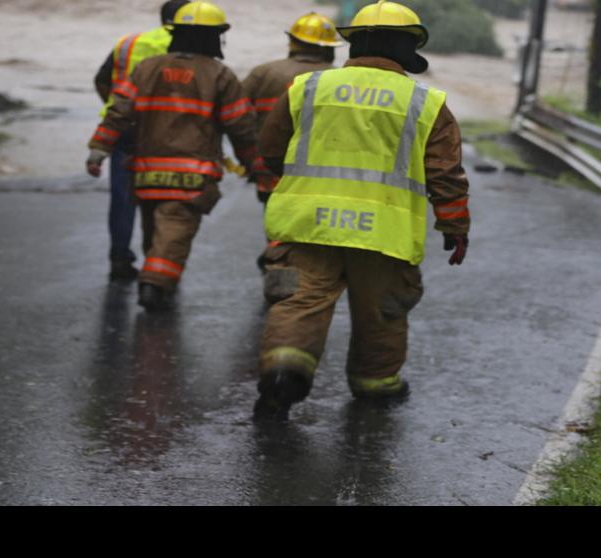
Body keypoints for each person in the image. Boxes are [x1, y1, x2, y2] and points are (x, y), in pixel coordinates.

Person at [252, 1, 470, 420]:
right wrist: (455, 226)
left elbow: (270, 151)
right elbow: (446, 175)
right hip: (383, 233)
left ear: (354, 43)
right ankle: (376, 386)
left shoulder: (308, 88)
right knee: (382, 312)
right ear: (407, 48)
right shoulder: (426, 102)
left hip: (307, 224)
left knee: (300, 303)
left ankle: (283, 373)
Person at [87, 1, 265, 311]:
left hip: (145, 172)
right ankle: (155, 284)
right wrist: (254, 165)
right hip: (191, 175)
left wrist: (98, 151)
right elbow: (242, 127)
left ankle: (156, 280)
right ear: (215, 37)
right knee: (174, 231)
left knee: (154, 231)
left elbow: (118, 111)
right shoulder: (219, 75)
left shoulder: (148, 67)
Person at [241, 12, 345, 305]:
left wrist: (246, 155)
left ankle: (278, 267)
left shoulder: (264, 72)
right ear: (328, 48)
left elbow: (236, 112)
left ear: (293, 42)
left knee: (276, 222)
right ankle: (290, 277)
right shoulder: (338, 80)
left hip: (269, 168)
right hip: (320, 173)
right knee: (307, 228)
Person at [93, 0, 186, 281]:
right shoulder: (192, 44)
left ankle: (119, 259)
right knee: (165, 197)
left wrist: (115, 110)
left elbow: (101, 79)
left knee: (123, 197)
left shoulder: (129, 42)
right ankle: (158, 264)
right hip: (166, 132)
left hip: (125, 127)